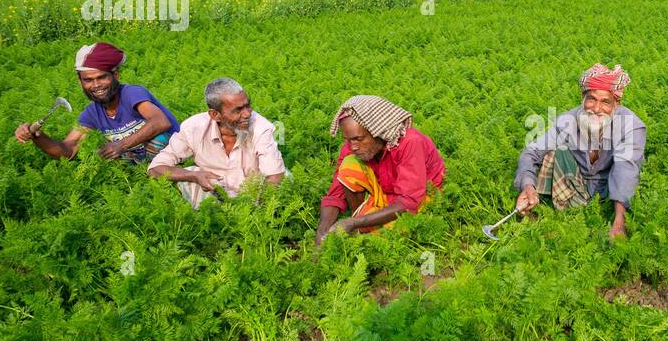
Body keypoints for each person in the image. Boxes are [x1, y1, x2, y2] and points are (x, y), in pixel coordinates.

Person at [513, 63, 647, 240]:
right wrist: (528, 186)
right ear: (583, 98)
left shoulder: (631, 126)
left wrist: (619, 222)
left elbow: (626, 170)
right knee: (550, 152)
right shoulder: (567, 120)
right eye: (591, 99)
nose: (597, 109)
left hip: (609, 188)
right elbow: (531, 153)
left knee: (623, 167)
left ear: (616, 103)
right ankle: (536, 207)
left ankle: (611, 213)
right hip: (575, 183)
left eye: (605, 101)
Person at [13, 41, 179, 163]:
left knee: (157, 140)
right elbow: (68, 150)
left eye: (102, 77)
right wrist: (37, 136)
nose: (96, 85)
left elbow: (160, 121)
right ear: (81, 82)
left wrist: (120, 145)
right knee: (103, 153)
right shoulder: (91, 113)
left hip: (176, 153)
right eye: (88, 80)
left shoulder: (131, 93)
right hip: (143, 165)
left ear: (115, 76)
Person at [316, 95, 445, 244]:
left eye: (359, 139)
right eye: (348, 139)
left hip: (419, 196)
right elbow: (336, 193)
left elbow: (408, 202)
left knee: (395, 230)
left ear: (379, 131)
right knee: (349, 164)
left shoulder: (410, 142)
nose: (353, 146)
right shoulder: (352, 146)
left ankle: (362, 224)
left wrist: (354, 222)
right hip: (385, 192)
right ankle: (362, 220)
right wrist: (322, 229)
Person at [147, 77, 286, 207]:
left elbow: (275, 176)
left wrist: (258, 213)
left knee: (286, 178)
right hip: (214, 193)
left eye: (247, 106)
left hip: (254, 194)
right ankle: (215, 223)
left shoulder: (261, 127)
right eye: (237, 110)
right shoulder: (193, 128)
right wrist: (194, 176)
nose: (247, 114)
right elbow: (155, 168)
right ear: (215, 114)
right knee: (189, 174)